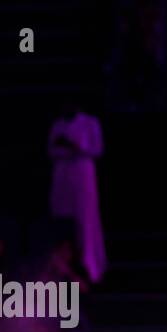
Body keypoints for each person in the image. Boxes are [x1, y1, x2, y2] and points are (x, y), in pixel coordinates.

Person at [48, 104, 107, 282]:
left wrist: (76, 146)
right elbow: (51, 149)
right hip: (63, 173)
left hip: (83, 173)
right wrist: (63, 147)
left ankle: (88, 264)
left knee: (86, 220)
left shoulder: (90, 123)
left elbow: (97, 149)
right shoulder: (58, 124)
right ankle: (63, 265)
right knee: (63, 219)